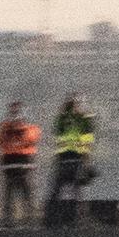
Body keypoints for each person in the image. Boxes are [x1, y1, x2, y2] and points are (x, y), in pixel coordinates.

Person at [46, 93, 97, 228]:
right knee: (59, 190)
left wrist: (86, 161)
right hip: (63, 158)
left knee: (76, 191)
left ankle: (77, 219)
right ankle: (55, 220)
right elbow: (57, 129)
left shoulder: (84, 120)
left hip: (76, 158)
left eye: (77, 104)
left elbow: (87, 142)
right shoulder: (64, 119)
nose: (75, 106)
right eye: (74, 104)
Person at [0, 101, 41, 229]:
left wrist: (20, 128)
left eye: (17, 112)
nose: (15, 115)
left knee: (26, 194)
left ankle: (30, 221)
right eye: (13, 112)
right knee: (8, 195)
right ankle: (7, 222)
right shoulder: (5, 127)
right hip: (9, 164)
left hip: (23, 164)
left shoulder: (29, 128)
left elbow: (32, 140)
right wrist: (7, 129)